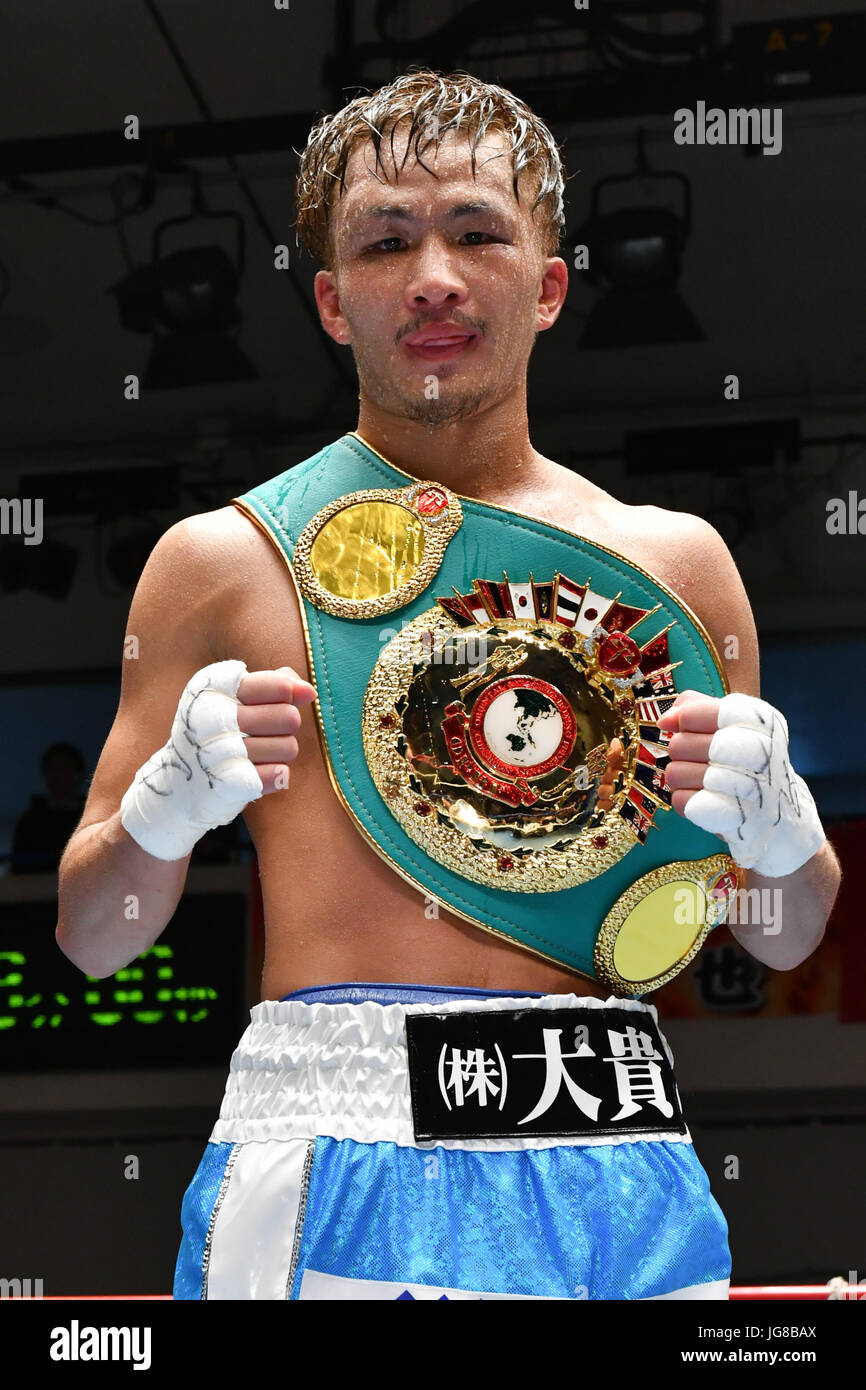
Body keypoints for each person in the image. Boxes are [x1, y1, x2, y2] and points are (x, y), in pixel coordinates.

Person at [55, 68, 840, 1301]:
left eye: (477, 231)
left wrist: (780, 829)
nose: (432, 274)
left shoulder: (675, 565)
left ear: (548, 283)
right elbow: (97, 942)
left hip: (617, 1151)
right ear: (328, 301)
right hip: (335, 1137)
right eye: (385, 240)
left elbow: (783, 930)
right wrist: (164, 807)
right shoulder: (224, 562)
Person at [11, 743, 87, 874]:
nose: (57, 775)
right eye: (53, 768)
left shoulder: (92, 817)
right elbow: (19, 864)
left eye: (64, 768)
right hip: (37, 890)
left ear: (78, 774)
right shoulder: (30, 821)